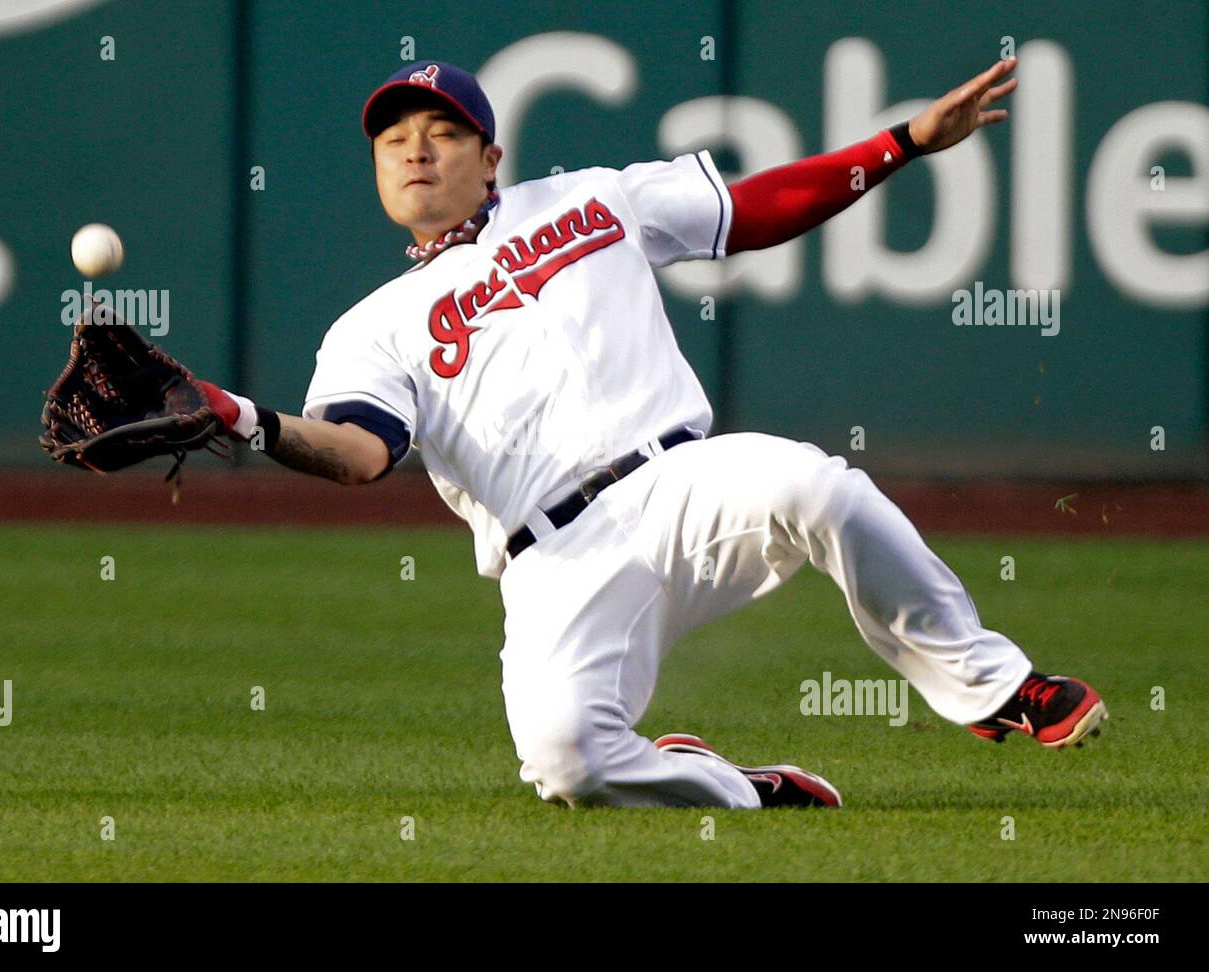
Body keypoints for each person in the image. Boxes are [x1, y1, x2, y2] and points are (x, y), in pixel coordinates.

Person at [193, 57, 1107, 810]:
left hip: (683, 486)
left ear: (490, 154)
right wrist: (236, 415)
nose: (416, 152)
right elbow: (358, 455)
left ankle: (999, 691)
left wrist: (901, 144)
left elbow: (754, 209)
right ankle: (734, 789)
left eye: (442, 133)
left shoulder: (590, 199)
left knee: (820, 488)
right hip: (553, 559)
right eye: (394, 141)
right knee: (569, 764)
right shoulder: (370, 329)